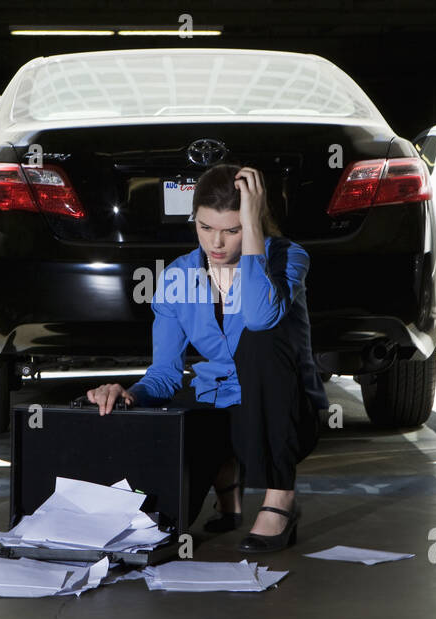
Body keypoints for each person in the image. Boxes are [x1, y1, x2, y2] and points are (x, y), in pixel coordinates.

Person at [86, 164, 327, 553]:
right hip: (219, 410)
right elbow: (165, 373)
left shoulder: (288, 257)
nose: (216, 243)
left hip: (283, 411)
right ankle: (226, 481)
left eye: (232, 230)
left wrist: (253, 229)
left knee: (259, 339)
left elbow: (259, 316)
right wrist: (129, 393)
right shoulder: (177, 277)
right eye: (205, 227)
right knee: (162, 520)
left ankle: (280, 498)